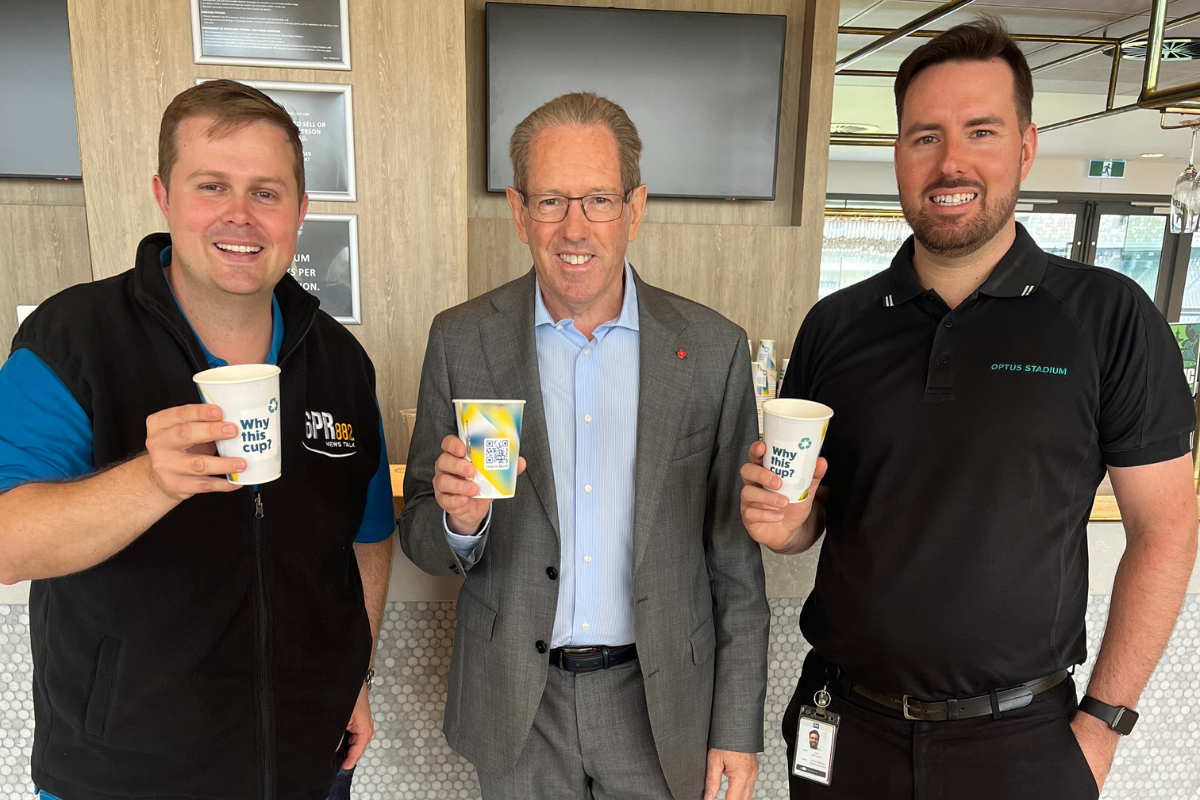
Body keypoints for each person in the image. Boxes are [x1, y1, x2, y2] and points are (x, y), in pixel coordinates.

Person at [739, 19, 1198, 800]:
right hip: (843, 730)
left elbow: (1167, 530)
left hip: (1022, 744)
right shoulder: (837, 325)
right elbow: (818, 517)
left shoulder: (1107, 317)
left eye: (979, 131)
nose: (950, 162)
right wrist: (787, 528)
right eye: (924, 136)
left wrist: (1102, 725)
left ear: (1024, 145)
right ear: (897, 156)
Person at [0, 80, 396, 800]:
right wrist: (147, 482)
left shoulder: (339, 363)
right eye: (212, 186)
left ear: (301, 212)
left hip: (307, 767)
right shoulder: (72, 340)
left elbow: (367, 538)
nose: (240, 215)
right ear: (164, 194)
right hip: (122, 775)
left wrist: (355, 676)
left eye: (267, 193)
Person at [400, 92, 770, 800]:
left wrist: (737, 728)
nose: (575, 227)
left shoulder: (711, 350)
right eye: (550, 201)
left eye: (599, 199)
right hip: (517, 708)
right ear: (517, 211)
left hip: (660, 706)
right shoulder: (462, 340)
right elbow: (420, 532)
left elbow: (735, 566)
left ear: (634, 208)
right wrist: (460, 520)